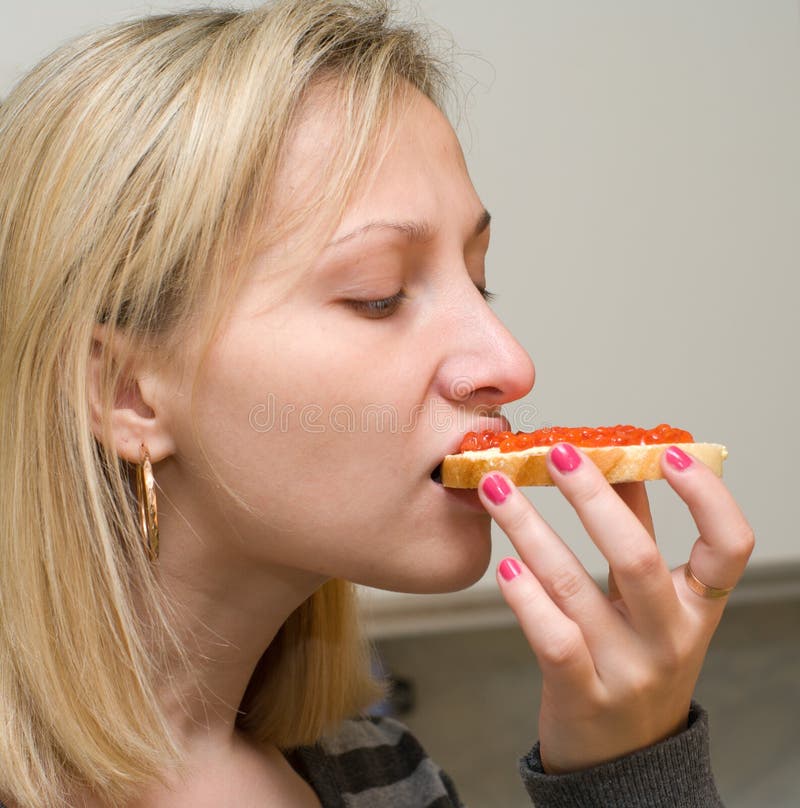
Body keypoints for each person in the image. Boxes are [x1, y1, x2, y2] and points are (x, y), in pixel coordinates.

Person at [0, 1, 754, 806]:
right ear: (125, 394)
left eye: (480, 281)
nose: (510, 365)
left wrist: (629, 767)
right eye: (378, 295)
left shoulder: (386, 779)